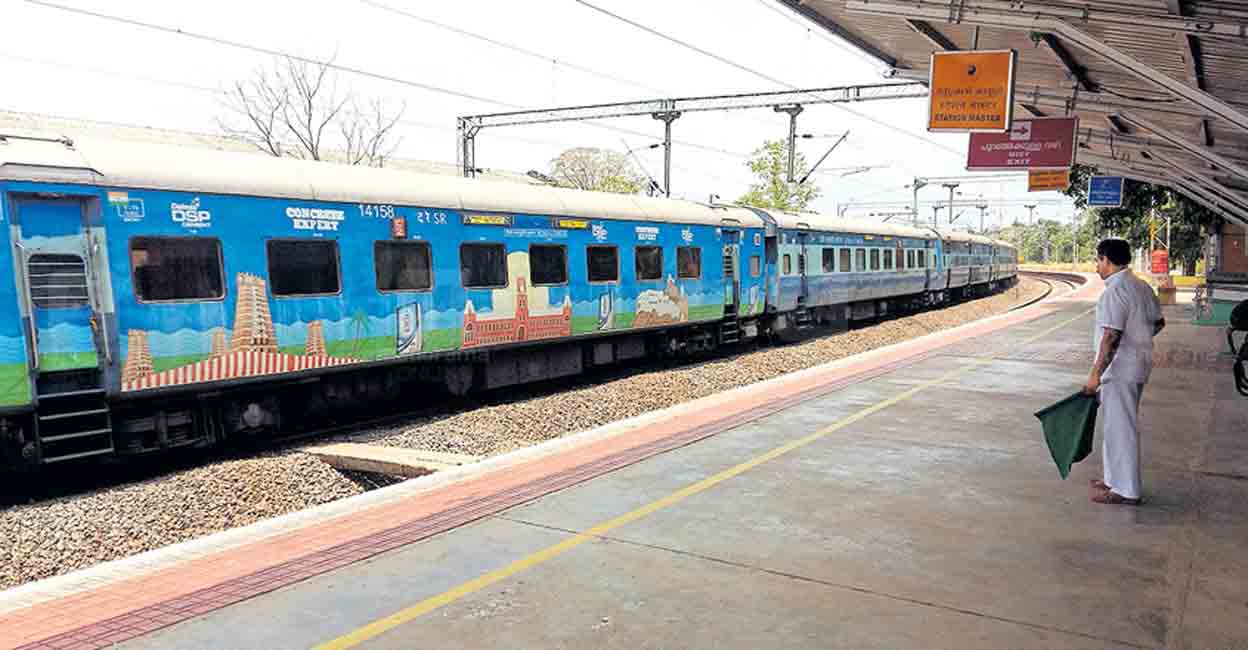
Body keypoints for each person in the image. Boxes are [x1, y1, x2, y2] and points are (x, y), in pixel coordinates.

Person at [1083, 238, 1165, 505]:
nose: (1096, 266)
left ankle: (1126, 490)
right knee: (1115, 424)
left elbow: (1111, 336)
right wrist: (1140, 338)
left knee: (1121, 427)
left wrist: (1095, 373)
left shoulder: (1115, 292)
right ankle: (1113, 479)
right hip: (1138, 364)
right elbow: (1159, 322)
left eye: (1098, 260)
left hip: (1119, 369)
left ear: (1107, 260)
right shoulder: (1141, 286)